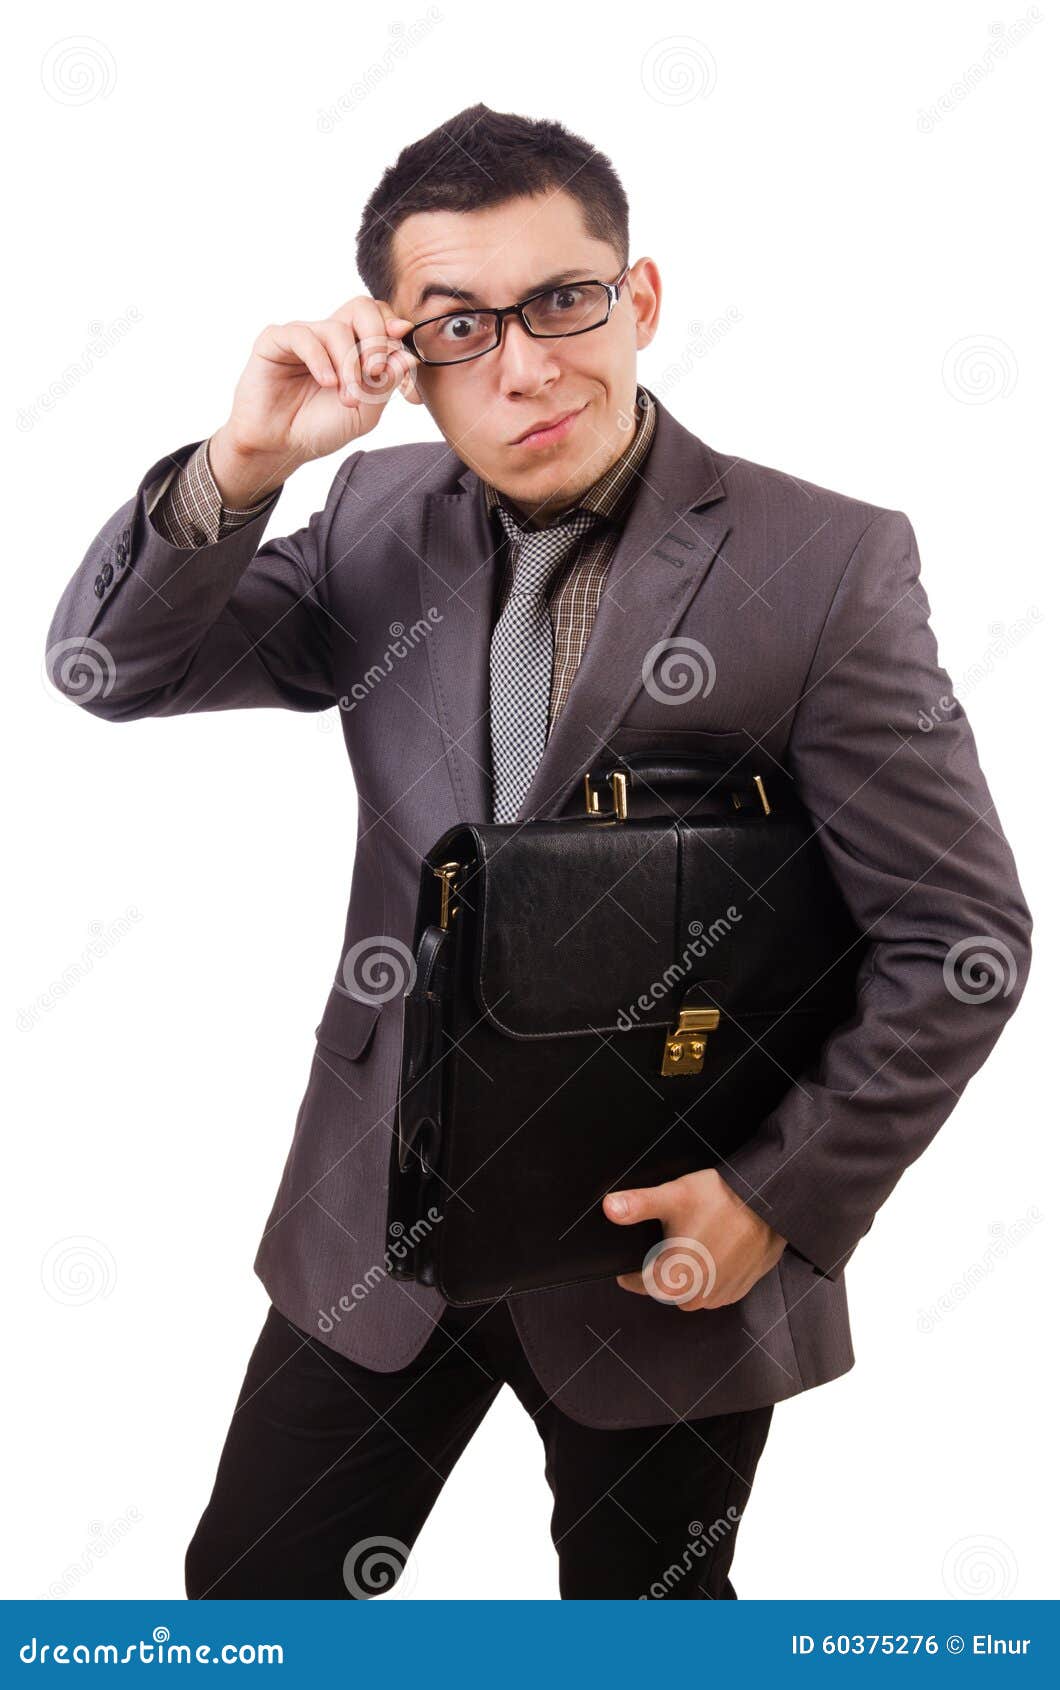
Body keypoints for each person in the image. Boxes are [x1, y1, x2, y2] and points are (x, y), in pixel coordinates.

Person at [44, 103, 1033, 1600]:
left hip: (665, 1233)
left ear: (635, 298)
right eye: (461, 326)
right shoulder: (372, 515)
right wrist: (243, 464)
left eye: (564, 302)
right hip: (379, 1218)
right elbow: (112, 671)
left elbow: (959, 939)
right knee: (254, 1605)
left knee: (646, 1636)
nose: (526, 364)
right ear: (401, 350)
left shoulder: (823, 565)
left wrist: (776, 1195)